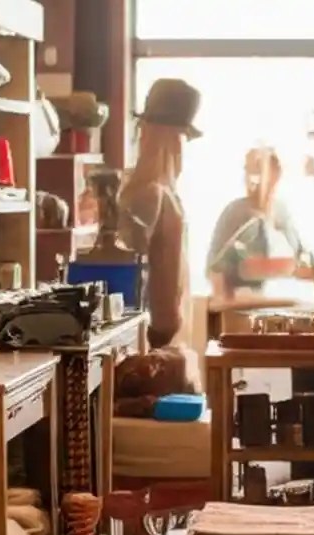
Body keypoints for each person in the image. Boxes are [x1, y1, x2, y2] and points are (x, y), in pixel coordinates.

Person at [117, 77, 201, 349]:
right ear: (171, 138)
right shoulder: (150, 194)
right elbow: (132, 274)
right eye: (182, 137)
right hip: (153, 343)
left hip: (166, 340)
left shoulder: (164, 193)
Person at [207, 146, 307, 300]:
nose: (254, 178)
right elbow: (214, 268)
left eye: (262, 170)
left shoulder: (282, 212)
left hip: (280, 305)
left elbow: (300, 256)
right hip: (241, 305)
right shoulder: (235, 213)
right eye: (250, 170)